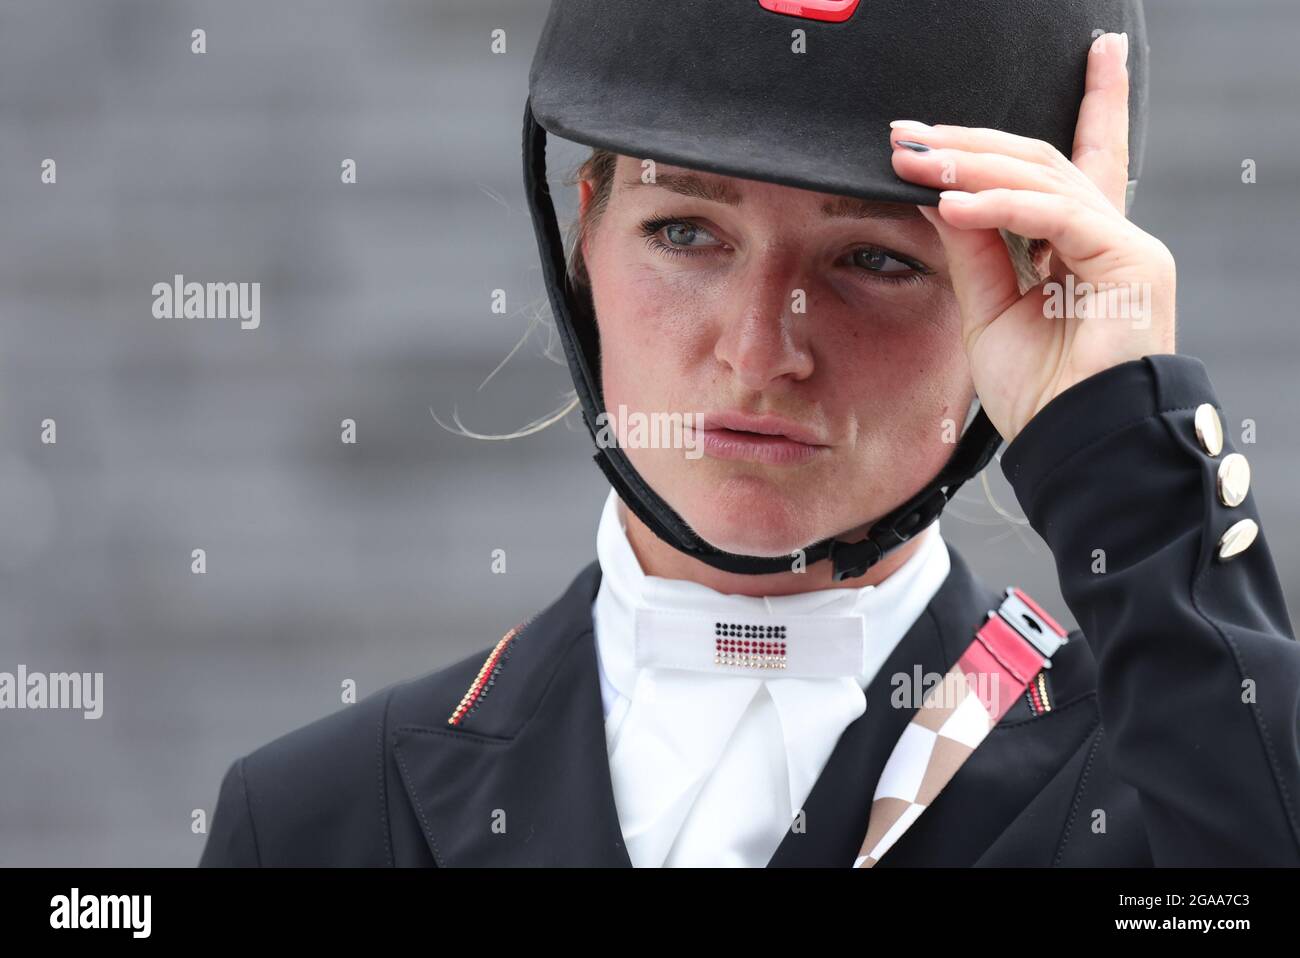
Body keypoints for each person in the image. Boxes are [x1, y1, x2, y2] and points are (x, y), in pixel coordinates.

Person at [198, 0, 1300, 867]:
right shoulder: (317, 819)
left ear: (1008, 297)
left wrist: (1119, 431)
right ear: (584, 238)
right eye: (686, 231)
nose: (760, 351)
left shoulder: (1162, 789)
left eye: (874, 259)